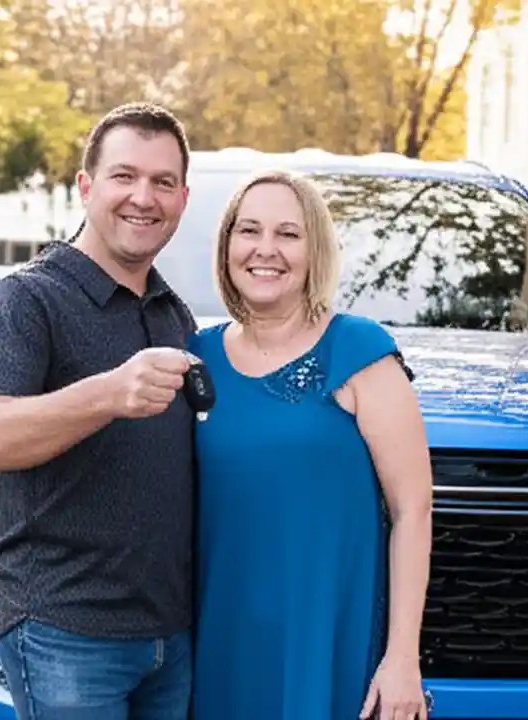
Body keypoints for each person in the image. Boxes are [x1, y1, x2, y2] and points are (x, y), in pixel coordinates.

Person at [0, 103, 199, 720]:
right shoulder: (26, 299)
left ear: (183, 198)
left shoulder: (173, 314)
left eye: (162, 182)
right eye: (124, 176)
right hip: (65, 633)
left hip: (169, 637)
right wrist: (107, 393)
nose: (143, 197)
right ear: (86, 187)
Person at [188, 169, 434, 720]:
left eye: (289, 234)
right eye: (249, 231)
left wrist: (402, 659)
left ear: (314, 250)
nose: (266, 250)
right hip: (220, 640)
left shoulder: (359, 351)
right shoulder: (193, 359)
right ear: (228, 245)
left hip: (326, 641)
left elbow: (412, 510)